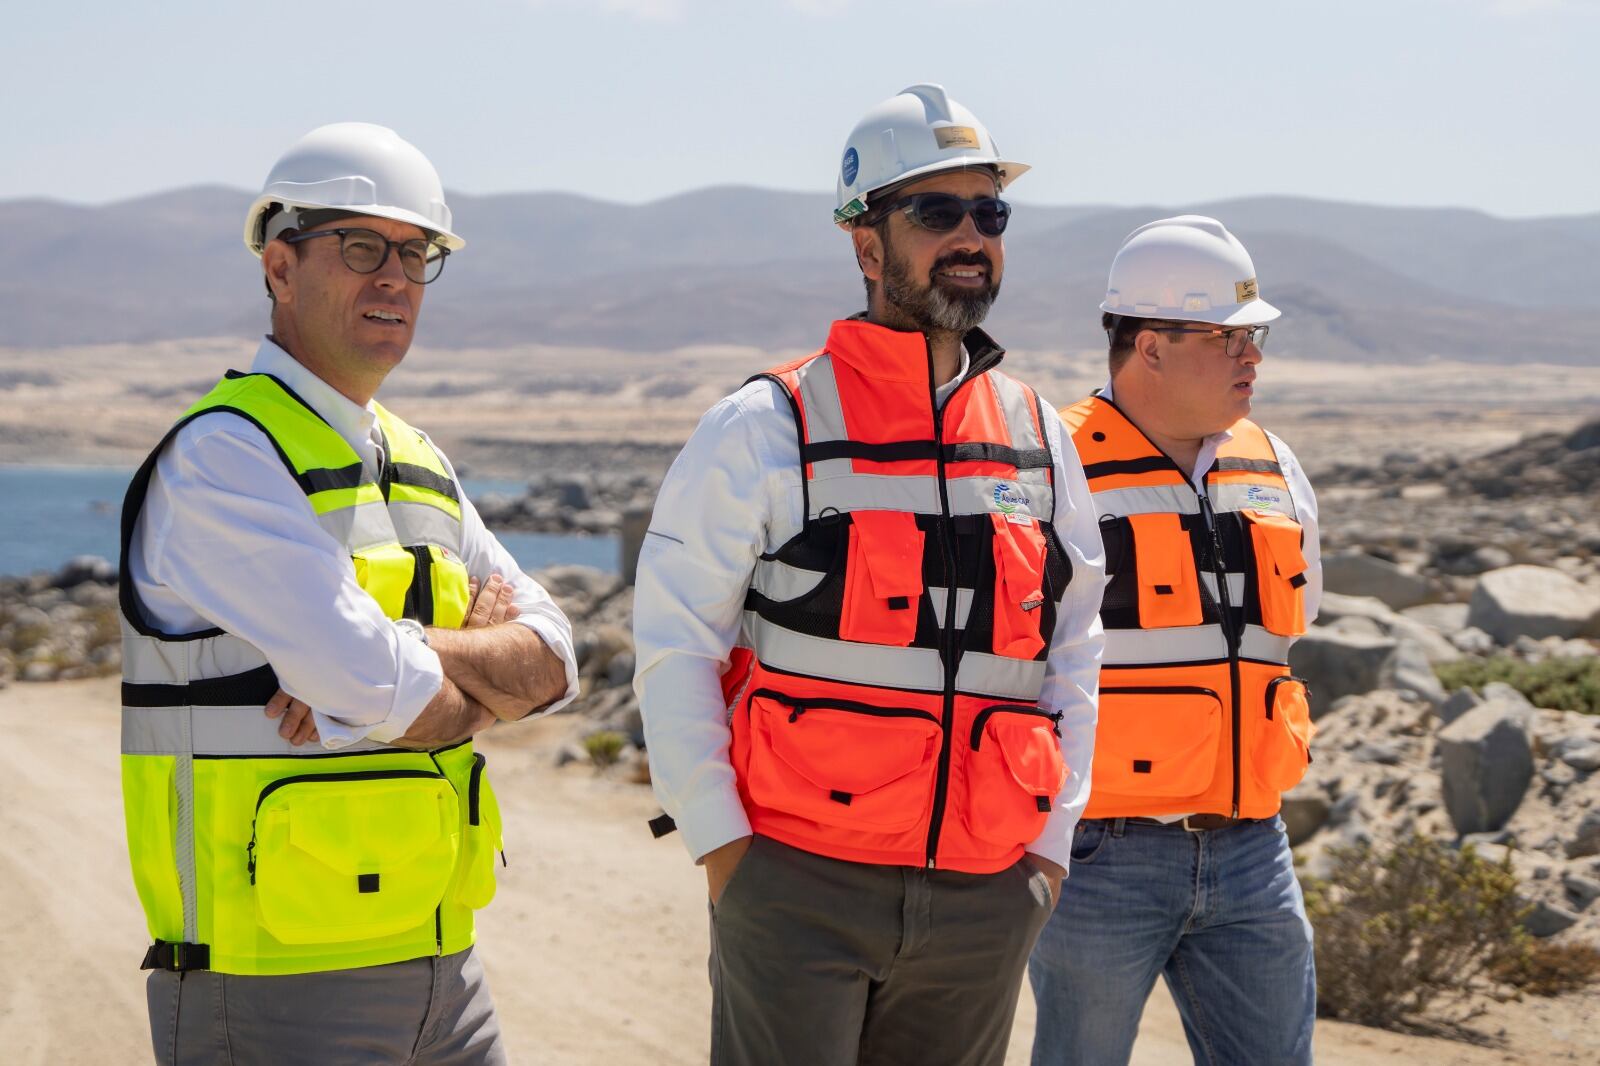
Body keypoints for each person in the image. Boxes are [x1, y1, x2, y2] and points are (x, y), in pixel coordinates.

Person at [633, 84, 1106, 1066]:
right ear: (865, 244)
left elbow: (1074, 649)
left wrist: (1046, 855)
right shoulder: (767, 426)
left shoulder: (1037, 438)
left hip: (986, 891)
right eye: (937, 212)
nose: (970, 235)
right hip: (796, 883)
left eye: (990, 213)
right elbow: (676, 643)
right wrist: (727, 852)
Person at [119, 122, 579, 1065]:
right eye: (361, 246)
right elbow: (379, 683)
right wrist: (445, 681)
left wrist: (409, 663)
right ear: (279, 266)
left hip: (446, 967)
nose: (395, 277)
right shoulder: (225, 454)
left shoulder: (421, 463)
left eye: (416, 253)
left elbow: (555, 660)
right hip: (268, 980)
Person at [1029, 215, 1321, 1065]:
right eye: (1228, 338)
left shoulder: (1275, 467)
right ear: (1148, 347)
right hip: (1098, 857)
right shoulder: (1053, 465)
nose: (1252, 359)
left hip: (1254, 847)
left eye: (1254, 337)